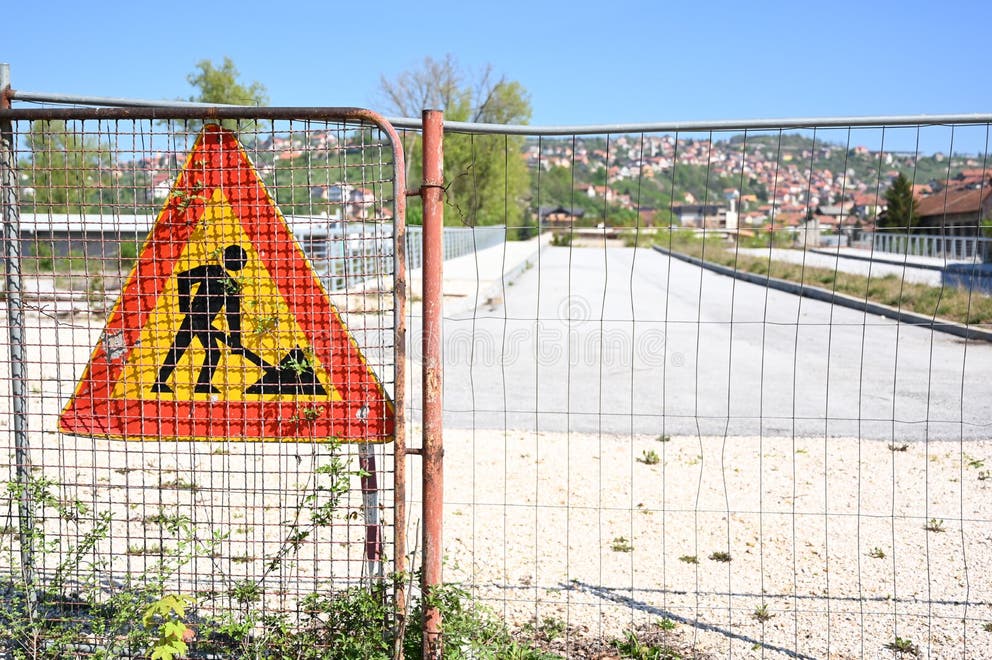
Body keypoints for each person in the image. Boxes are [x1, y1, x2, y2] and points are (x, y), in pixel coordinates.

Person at [151, 244, 260, 394]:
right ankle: (200, 384)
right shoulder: (212, 271)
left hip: (202, 321)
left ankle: (162, 383)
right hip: (196, 319)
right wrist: (185, 307)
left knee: (179, 348)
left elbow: (232, 315)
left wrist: (235, 341)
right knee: (208, 351)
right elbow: (183, 278)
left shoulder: (231, 286)